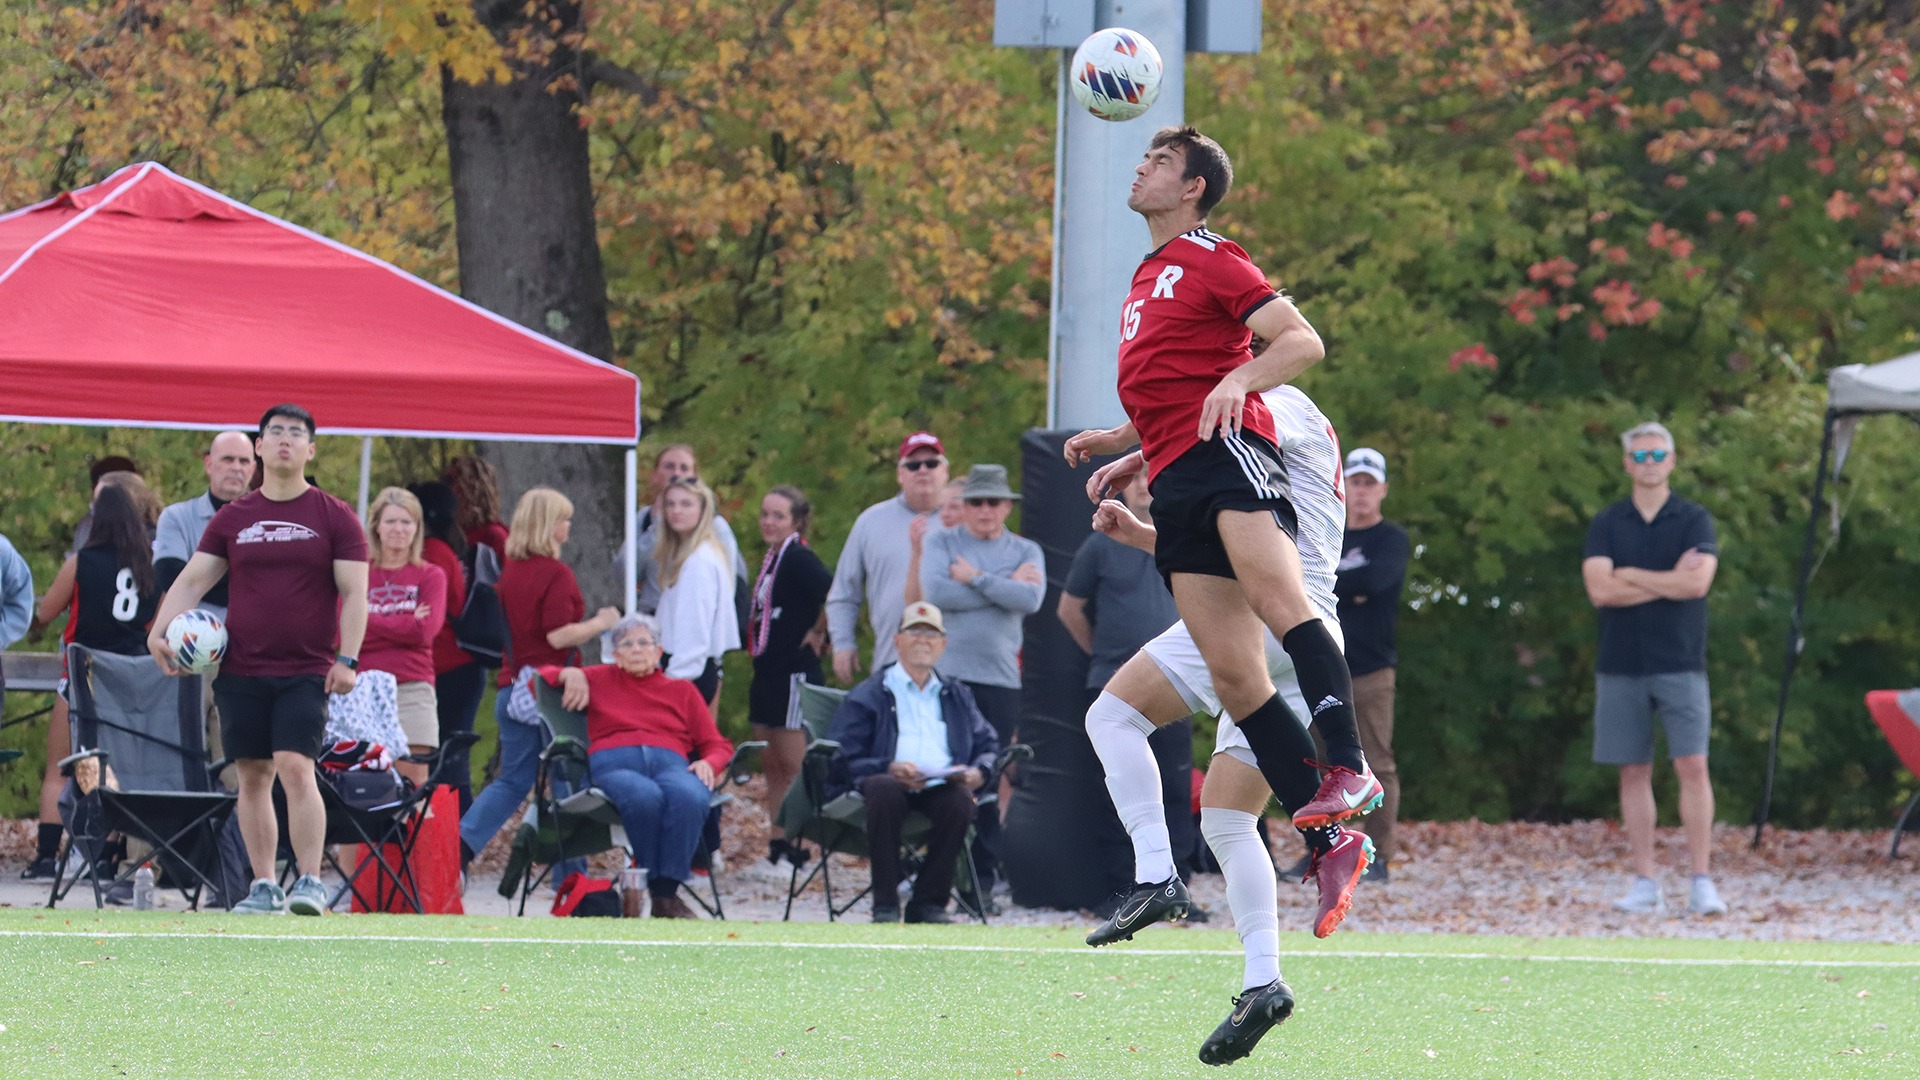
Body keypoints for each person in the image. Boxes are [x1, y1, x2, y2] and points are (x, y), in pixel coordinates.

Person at [1064, 125, 1378, 931]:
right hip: (1175, 475)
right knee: (1238, 681)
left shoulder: (1211, 253)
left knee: (1278, 599)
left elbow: (1299, 341)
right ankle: (1331, 840)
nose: (1141, 170)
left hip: (1225, 457)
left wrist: (1241, 377)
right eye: (1142, 160)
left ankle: (1348, 765)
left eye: (1159, 162)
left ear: (1195, 186)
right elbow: (1168, 382)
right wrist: (1121, 440)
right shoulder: (1148, 274)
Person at [1077, 385, 1356, 1066]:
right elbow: (1229, 544)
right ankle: (1263, 980)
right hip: (1307, 629)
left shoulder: (1271, 400)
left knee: (1111, 716)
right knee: (1228, 821)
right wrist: (1146, 533)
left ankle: (1157, 876)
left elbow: (1209, 429)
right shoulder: (1283, 422)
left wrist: (1127, 452)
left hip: (1260, 619)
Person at [148, 403, 369, 916]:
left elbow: (355, 593)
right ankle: (264, 885)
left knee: (296, 766)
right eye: (275, 433)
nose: (285, 440)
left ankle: (311, 882)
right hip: (240, 667)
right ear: (260, 448)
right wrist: (158, 632)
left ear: (311, 449)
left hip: (306, 667)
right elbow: (194, 579)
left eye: (297, 433)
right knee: (251, 774)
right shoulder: (235, 517)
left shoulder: (334, 516)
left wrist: (349, 660)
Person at [1582, 421, 1726, 917]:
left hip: (1681, 661)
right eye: (1639, 456)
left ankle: (1702, 880)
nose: (1648, 464)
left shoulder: (1694, 520)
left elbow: (1697, 585)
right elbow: (1600, 590)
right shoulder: (1607, 522)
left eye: (1656, 454)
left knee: (1693, 766)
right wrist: (1668, 579)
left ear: (1672, 459)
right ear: (1627, 463)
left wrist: (1632, 575)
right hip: (1620, 663)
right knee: (1633, 770)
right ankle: (1645, 881)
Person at [459, 487, 620, 868]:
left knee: (512, 781)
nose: (568, 526)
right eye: (564, 519)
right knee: (567, 783)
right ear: (549, 525)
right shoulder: (556, 574)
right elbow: (557, 635)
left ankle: (458, 848)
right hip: (551, 694)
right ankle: (570, 876)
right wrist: (602, 622)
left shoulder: (510, 571)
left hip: (512, 690)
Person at [543, 613, 732, 919]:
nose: (636, 649)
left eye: (645, 642)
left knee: (692, 795)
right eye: (627, 643)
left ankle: (664, 894)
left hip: (670, 762)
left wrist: (710, 763)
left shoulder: (682, 690)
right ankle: (663, 895)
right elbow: (536, 678)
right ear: (615, 654)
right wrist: (570, 675)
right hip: (615, 761)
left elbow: (717, 744)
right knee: (645, 796)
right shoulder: (599, 678)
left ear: (658, 652)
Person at [26, 469, 163, 882]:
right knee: (117, 768)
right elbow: (154, 625)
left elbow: (45, 614)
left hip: (82, 676)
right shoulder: (153, 566)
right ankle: (104, 857)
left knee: (59, 768)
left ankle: (48, 856)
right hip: (130, 680)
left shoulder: (79, 562)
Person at [1058, 469, 1193, 883]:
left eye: (1149, 475)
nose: (1141, 484)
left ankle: (1176, 885)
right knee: (1118, 788)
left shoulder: (1185, 540)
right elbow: (1069, 609)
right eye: (1132, 477)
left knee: (1174, 784)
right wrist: (1109, 660)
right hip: (1115, 686)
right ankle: (1121, 886)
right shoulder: (1100, 544)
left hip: (1176, 681)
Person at [827, 602, 998, 924]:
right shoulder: (871, 693)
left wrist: (979, 772)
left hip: (941, 784)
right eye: (915, 632)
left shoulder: (957, 695)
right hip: (886, 783)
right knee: (884, 789)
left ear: (943, 645)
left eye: (931, 634)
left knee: (960, 802)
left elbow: (988, 745)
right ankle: (886, 905)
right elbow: (842, 756)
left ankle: (928, 903)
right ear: (897, 641)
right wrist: (887, 766)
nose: (923, 640)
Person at [916, 465, 1045, 743]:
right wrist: (1007, 584)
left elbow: (1030, 599)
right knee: (950, 763)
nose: (985, 510)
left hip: (1002, 678)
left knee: (994, 765)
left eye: (993, 502)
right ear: (964, 506)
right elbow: (936, 594)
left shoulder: (1026, 550)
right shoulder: (941, 541)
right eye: (976, 502)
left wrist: (975, 577)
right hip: (949, 675)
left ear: (1007, 506)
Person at [745, 485, 832, 877]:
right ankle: (777, 846)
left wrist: (820, 632)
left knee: (795, 763)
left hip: (796, 672)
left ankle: (801, 849)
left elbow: (835, 593)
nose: (769, 522)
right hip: (767, 671)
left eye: (778, 515)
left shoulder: (799, 558)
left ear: (796, 520)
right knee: (772, 763)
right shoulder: (772, 559)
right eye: (765, 514)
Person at [1332, 447, 1410, 881]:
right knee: (1324, 764)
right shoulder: (1327, 534)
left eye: (1368, 484)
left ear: (1382, 490)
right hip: (1325, 663)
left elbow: (1377, 581)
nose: (1360, 492)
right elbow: (1303, 578)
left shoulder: (1391, 539)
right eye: (1354, 482)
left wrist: (1337, 583)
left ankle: (1378, 852)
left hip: (1372, 668)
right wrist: (1352, 588)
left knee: (1378, 762)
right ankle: (1326, 848)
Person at [827, 431, 949, 685]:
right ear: (900, 475)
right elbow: (843, 593)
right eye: (913, 465)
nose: (923, 470)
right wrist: (842, 643)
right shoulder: (871, 522)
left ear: (945, 471)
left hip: (956, 665)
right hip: (892, 662)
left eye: (932, 463)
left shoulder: (964, 521)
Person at [360, 487, 447, 787]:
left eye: (407, 522)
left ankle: (409, 836)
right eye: (391, 522)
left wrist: (367, 621)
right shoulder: (358, 573)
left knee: (412, 785)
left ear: (417, 529)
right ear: (376, 527)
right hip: (362, 689)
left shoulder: (431, 575)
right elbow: (339, 631)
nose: (399, 529)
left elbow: (426, 633)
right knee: (363, 785)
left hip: (412, 689)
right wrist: (405, 622)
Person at [411, 481, 481, 812]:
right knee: (441, 754)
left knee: (450, 756)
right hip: (441, 667)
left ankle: (459, 840)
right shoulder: (437, 549)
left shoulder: (434, 552)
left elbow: (450, 607)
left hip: (452, 667)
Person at [617, 444, 748, 615]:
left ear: (695, 477)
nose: (676, 474)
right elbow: (623, 573)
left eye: (684, 468)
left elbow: (727, 585)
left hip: (694, 616)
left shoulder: (715, 525)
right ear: (655, 475)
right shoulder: (645, 518)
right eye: (669, 466)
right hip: (652, 616)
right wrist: (655, 527)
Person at [654, 478, 740, 707]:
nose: (676, 511)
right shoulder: (687, 555)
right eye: (670, 504)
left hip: (686, 674)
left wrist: (669, 683)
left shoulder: (698, 563)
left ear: (703, 510)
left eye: (686, 504)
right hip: (686, 671)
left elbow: (694, 631)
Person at [154, 431, 258, 610]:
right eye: (227, 459)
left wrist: (195, 581)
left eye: (244, 461)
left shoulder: (269, 521)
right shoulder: (176, 517)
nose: (236, 467)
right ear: (209, 464)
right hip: (193, 634)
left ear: (253, 469)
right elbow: (169, 574)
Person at [903, 478, 968, 607]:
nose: (945, 514)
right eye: (941, 508)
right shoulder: (936, 546)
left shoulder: (996, 546)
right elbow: (913, 603)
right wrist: (916, 552)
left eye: (954, 507)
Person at [444, 455, 509, 562]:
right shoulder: (450, 535)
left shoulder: (495, 536)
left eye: (451, 481)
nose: (447, 489)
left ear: (473, 489)